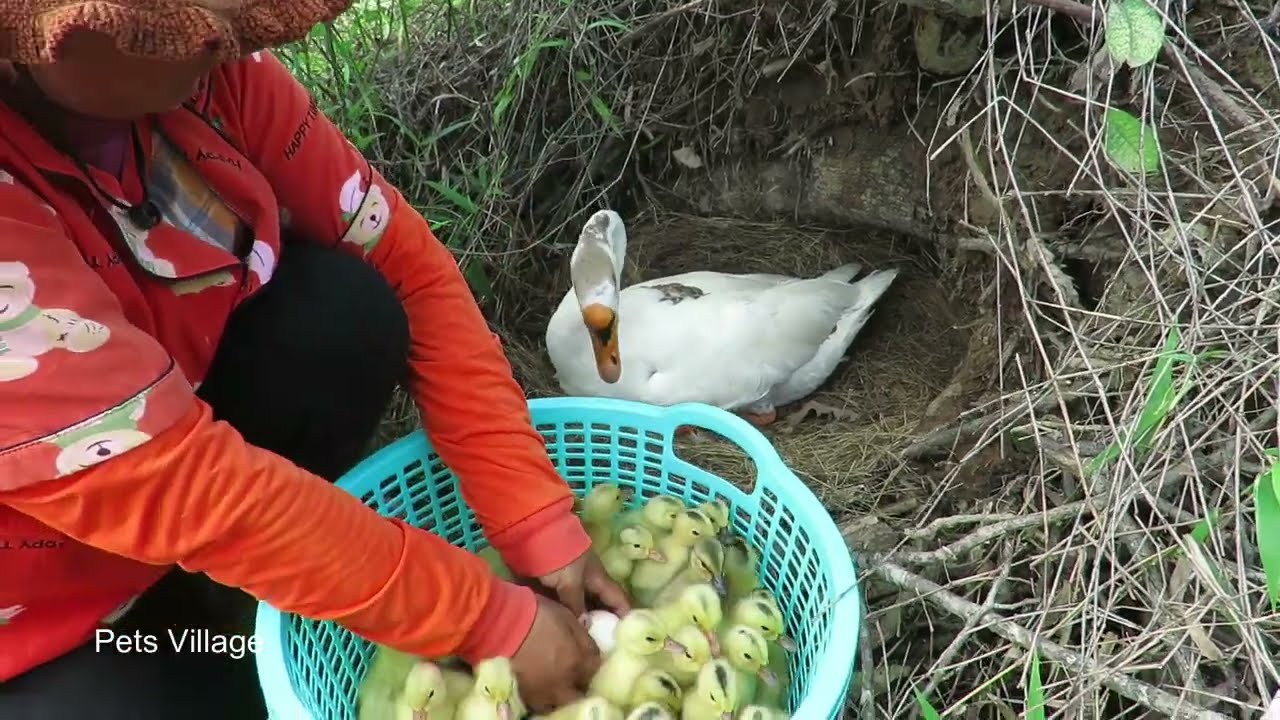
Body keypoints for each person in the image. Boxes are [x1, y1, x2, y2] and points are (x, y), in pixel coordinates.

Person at [0, 1, 631, 717]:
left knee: (340, 314)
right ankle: (186, 637)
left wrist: (534, 515)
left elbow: (404, 266)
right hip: (39, 604)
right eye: (193, 30)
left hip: (171, 459)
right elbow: (181, 488)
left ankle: (235, 594)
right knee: (190, 697)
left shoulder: (214, 79)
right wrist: (488, 619)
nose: (240, 39)